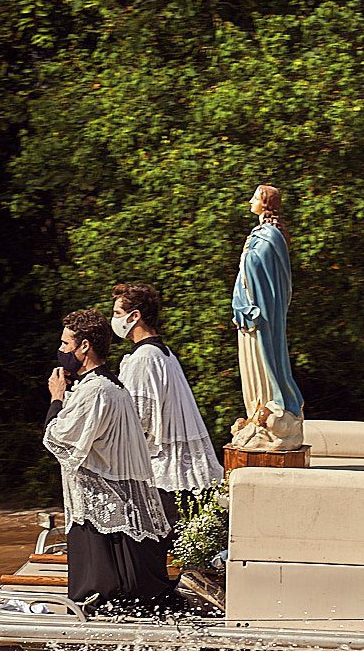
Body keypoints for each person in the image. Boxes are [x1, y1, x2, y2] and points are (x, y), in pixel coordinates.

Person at [45, 308, 173, 607]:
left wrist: (56, 398)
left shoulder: (97, 390)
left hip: (102, 504)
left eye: (66, 344)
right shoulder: (110, 384)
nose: (61, 351)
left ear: (85, 346)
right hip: (116, 497)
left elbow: (57, 438)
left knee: (104, 595)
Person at [111, 282, 224, 530]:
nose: (115, 320)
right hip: (182, 476)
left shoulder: (145, 358)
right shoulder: (164, 353)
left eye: (118, 314)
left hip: (165, 477)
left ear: (135, 316)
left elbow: (139, 416)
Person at [231, 184, 305, 451]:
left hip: (260, 312)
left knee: (265, 359)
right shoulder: (261, 234)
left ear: (265, 203)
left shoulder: (269, 236)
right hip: (249, 310)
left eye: (255, 197)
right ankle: (256, 413)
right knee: (252, 361)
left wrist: (250, 257)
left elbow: (267, 276)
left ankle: (270, 408)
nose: (250, 201)